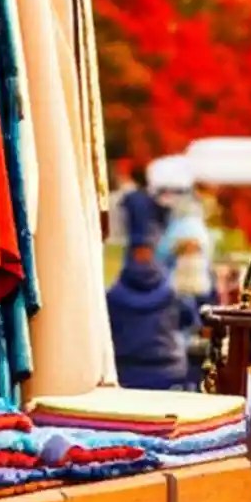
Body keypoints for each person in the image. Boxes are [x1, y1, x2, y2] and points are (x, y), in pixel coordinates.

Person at [106, 245, 201, 390]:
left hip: (126, 374)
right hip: (169, 373)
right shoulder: (172, 294)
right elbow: (191, 321)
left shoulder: (112, 297)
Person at [119, 166, 168, 253]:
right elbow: (163, 218)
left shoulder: (130, 197)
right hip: (153, 237)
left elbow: (123, 216)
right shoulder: (154, 197)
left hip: (135, 238)